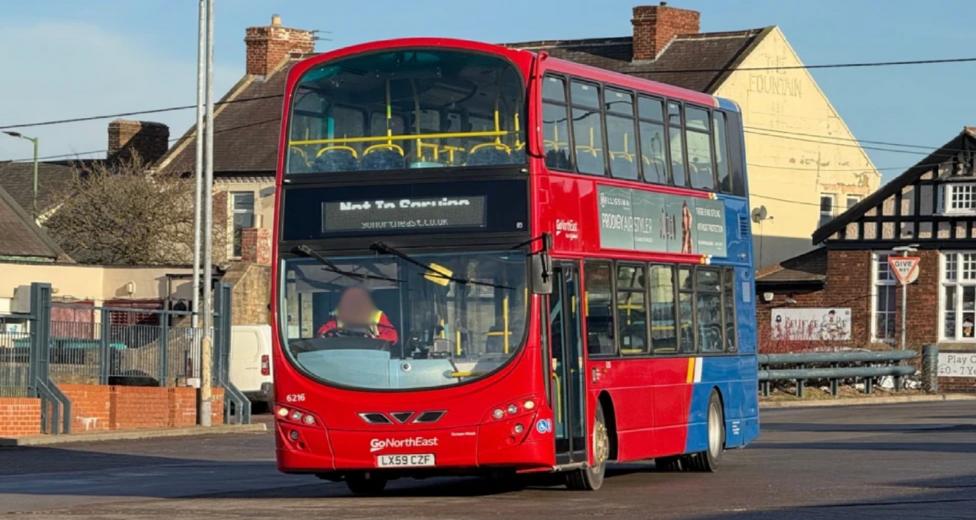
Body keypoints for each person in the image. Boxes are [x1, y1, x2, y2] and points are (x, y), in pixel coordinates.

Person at [317, 286, 399, 344]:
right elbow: (323, 332)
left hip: (369, 353)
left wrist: (376, 339)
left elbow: (393, 336)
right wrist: (325, 336)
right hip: (343, 352)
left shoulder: (376, 316)